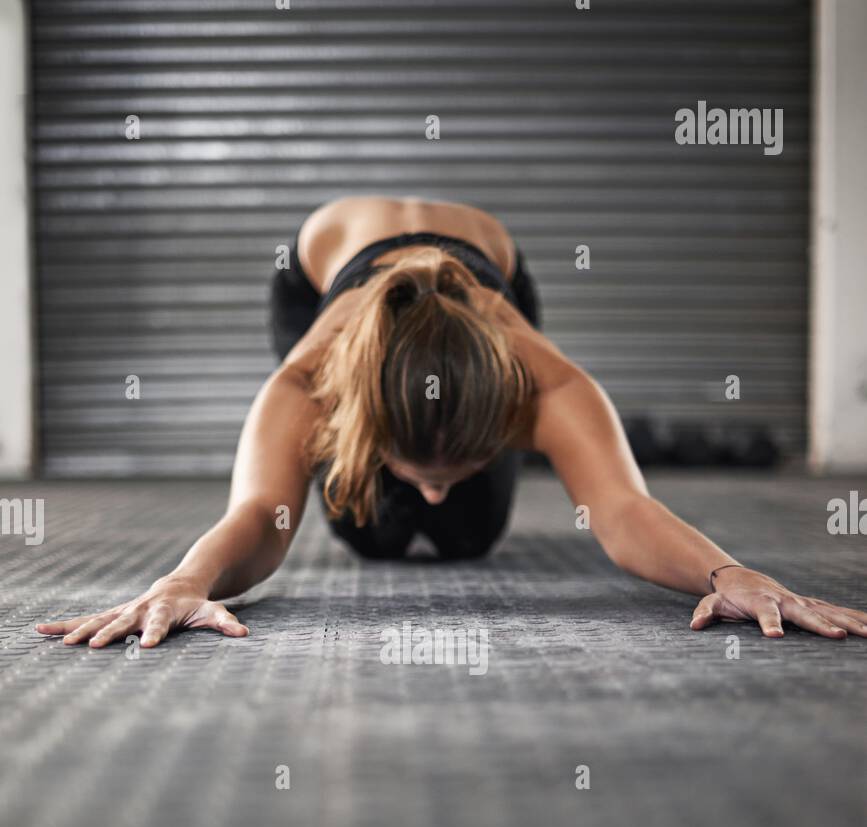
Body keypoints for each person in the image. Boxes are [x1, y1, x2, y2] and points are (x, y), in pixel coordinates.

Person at [37, 196, 867, 649]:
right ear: (355, 412)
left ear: (508, 410)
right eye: (414, 466)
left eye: (462, 464)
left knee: (465, 532)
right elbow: (259, 514)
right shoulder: (309, 380)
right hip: (319, 269)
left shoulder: (542, 377)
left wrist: (729, 574)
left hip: (492, 268)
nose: (432, 495)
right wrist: (184, 583)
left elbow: (619, 509)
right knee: (371, 530)